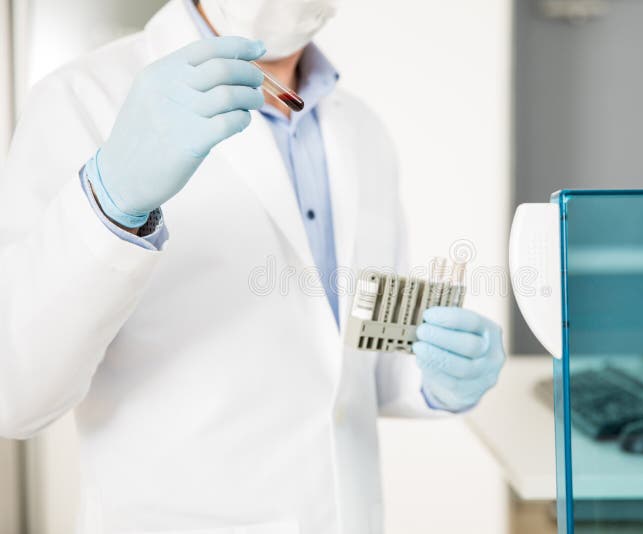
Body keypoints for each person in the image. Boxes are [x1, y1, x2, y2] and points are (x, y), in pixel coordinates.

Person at [0, 1, 506, 532]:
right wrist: (112, 198)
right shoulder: (81, 99)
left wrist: (436, 376)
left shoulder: (361, 128)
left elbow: (352, 357)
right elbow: (15, 393)